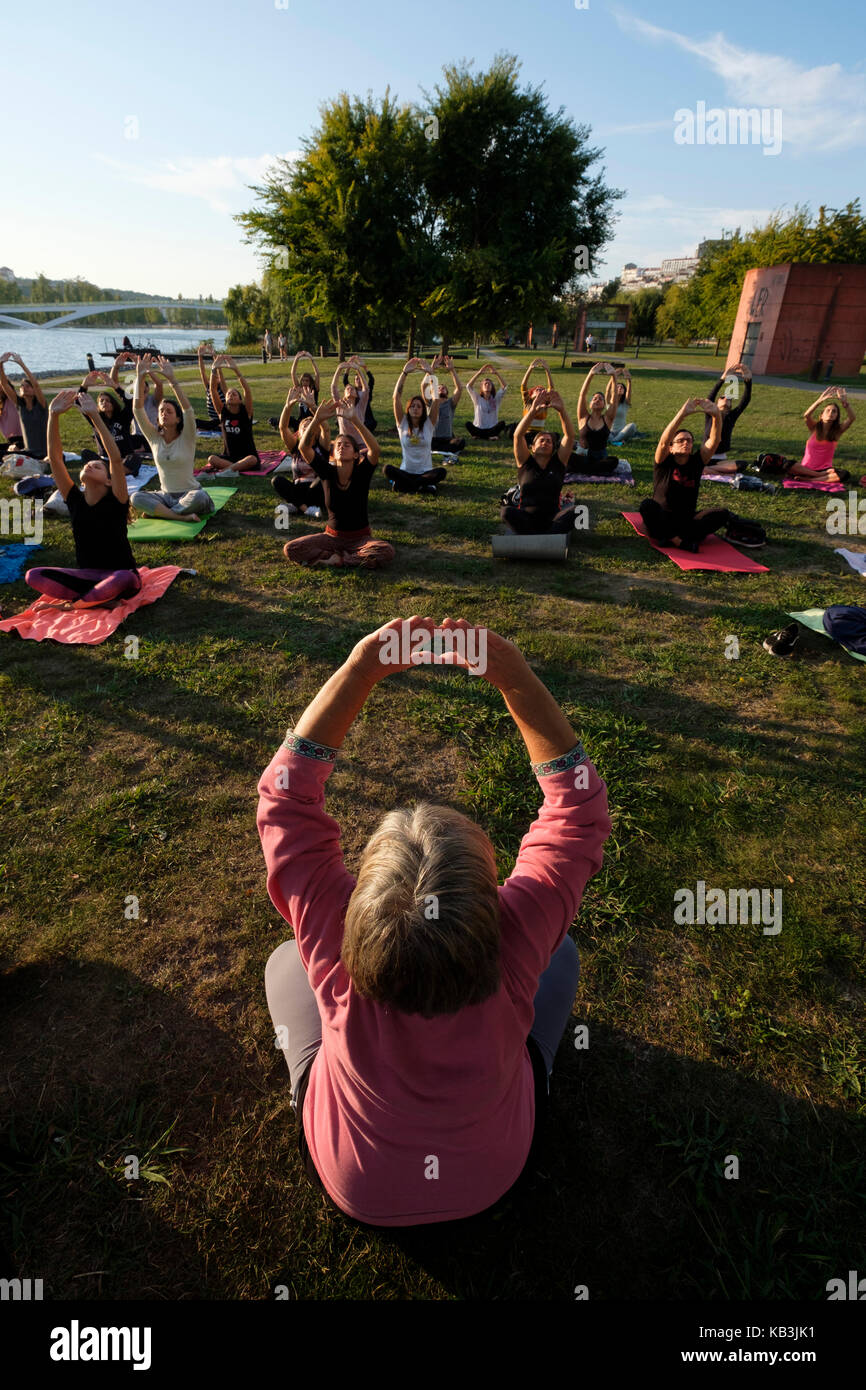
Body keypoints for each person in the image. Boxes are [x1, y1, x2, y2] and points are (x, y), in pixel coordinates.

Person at [258, 614, 611, 1228]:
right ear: (492, 905)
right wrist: (513, 675)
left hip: (358, 1188)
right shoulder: (520, 941)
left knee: (286, 961)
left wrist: (362, 668)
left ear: (358, 911)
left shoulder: (331, 945)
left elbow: (285, 799)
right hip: (496, 1176)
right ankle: (540, 1076)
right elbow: (577, 809)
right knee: (565, 955)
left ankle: (305, 1090)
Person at [25, 388, 141, 605]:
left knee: (122, 577)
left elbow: (115, 459)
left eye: (97, 466)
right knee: (34, 575)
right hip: (88, 578)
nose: (89, 464)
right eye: (88, 464)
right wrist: (53, 415)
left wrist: (94, 416)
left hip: (122, 576)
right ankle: (96, 600)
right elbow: (56, 460)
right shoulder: (75, 500)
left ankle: (77, 604)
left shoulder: (117, 500)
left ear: (108, 480)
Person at [281, 398, 393, 568]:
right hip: (331, 537)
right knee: (291, 549)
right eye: (339, 445)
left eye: (347, 445)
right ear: (334, 452)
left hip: (360, 539)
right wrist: (317, 419)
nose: (341, 447)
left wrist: (355, 420)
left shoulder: (362, 472)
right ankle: (345, 557)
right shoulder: (327, 471)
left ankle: (338, 560)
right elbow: (304, 448)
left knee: (386, 551)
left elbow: (375, 450)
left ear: (356, 454)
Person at [639, 397, 763, 551]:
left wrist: (716, 415)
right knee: (647, 505)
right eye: (681, 440)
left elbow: (714, 441)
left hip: (685, 522)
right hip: (662, 518)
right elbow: (664, 442)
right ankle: (677, 541)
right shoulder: (664, 462)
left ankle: (670, 537)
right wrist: (683, 414)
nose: (686, 443)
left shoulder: (696, 462)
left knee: (722, 514)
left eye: (689, 441)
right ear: (671, 447)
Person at [131, 355, 214, 522]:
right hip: (165, 496)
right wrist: (140, 377)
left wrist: (172, 380)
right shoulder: (154, 438)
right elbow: (137, 410)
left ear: (177, 419)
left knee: (200, 497)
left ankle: (162, 513)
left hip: (190, 493)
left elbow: (188, 411)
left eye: (169, 411)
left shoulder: (187, 437)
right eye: (161, 411)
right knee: (135, 498)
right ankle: (179, 516)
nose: (164, 413)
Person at [503, 391, 577, 535]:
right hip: (527, 518)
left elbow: (570, 435)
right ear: (533, 447)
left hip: (553, 519)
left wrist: (562, 411)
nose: (545, 442)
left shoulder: (558, 462)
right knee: (506, 512)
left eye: (549, 441)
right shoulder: (525, 462)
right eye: (541, 440)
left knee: (579, 512)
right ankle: (545, 537)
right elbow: (518, 435)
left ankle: (541, 536)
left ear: (553, 447)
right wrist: (532, 411)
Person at [386, 358, 448, 495]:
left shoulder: (429, 423)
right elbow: (396, 397)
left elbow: (436, 399)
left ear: (423, 410)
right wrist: (404, 373)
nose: (415, 408)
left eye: (419, 406)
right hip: (406, 472)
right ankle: (421, 486)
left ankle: (409, 485)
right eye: (412, 406)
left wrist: (431, 373)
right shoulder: (402, 423)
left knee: (441, 472)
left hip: (425, 472)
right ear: (408, 409)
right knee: (387, 469)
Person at [270, 386, 328, 519]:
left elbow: (326, 428)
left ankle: (296, 506)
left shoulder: (322, 446)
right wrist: (288, 406)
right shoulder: (295, 447)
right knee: (277, 480)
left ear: (316, 430)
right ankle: (306, 509)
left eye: (311, 424)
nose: (307, 426)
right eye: (304, 426)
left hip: (316, 490)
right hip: (298, 488)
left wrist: (313, 406)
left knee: (323, 479)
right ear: (299, 433)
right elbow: (283, 427)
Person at [200, 356, 260, 475]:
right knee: (211, 459)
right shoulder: (223, 412)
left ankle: (229, 470)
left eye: (234, 394)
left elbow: (247, 391)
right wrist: (213, 370)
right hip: (229, 457)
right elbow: (213, 390)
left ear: (239, 400)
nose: (230, 395)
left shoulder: (246, 412)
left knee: (252, 460)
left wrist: (236, 371)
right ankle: (233, 469)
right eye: (228, 394)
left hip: (247, 456)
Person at [787, 387, 855, 484]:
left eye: (834, 411)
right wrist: (819, 401)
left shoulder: (837, 431)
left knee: (845, 474)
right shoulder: (814, 428)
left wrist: (845, 404)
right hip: (807, 469)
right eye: (828, 410)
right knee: (788, 464)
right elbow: (806, 415)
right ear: (821, 415)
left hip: (825, 469)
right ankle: (818, 477)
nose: (831, 413)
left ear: (836, 416)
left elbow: (852, 418)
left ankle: (809, 480)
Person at [699, 364, 753, 471]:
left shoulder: (731, 417)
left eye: (729, 398)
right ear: (716, 403)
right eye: (722, 397)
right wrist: (722, 379)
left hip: (721, 458)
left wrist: (748, 381)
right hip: (706, 454)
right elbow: (709, 399)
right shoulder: (711, 414)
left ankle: (707, 469)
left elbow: (745, 401)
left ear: (730, 406)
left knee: (742, 464)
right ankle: (712, 469)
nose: (726, 398)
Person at [0, 353, 48, 462]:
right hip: (28, 452)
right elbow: (4, 385)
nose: (24, 388)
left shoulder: (41, 405)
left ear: (34, 390)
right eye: (22, 386)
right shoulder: (20, 406)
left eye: (28, 386)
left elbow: (36, 385)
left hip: (43, 453)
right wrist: (1, 365)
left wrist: (21, 364)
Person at [573, 363, 620, 473]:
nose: (597, 400)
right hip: (583, 455)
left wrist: (614, 376)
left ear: (604, 405)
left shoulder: (608, 419)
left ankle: (589, 469)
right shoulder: (583, 417)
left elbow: (614, 397)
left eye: (600, 399)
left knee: (613, 461)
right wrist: (590, 375)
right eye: (594, 399)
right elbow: (582, 395)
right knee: (569, 457)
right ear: (590, 404)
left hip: (600, 457)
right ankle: (594, 469)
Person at [423, 354, 465, 453]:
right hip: (432, 439)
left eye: (444, 388)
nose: (441, 388)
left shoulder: (451, 403)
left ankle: (437, 450)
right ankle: (443, 450)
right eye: (438, 387)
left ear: (447, 393)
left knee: (461, 442)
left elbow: (459, 388)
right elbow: (423, 386)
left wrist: (452, 370)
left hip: (446, 439)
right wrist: (431, 369)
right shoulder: (429, 402)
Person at [509, 358, 554, 442]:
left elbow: (551, 389)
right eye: (537, 390)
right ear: (531, 394)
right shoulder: (528, 402)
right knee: (514, 432)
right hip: (526, 433)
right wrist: (530, 368)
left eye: (541, 389)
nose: (539, 390)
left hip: (538, 435)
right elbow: (523, 385)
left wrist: (547, 370)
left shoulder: (545, 404)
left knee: (555, 436)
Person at [330, 357, 370, 448]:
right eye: (347, 389)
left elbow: (366, 389)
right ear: (344, 394)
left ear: (357, 395)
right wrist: (338, 369)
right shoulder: (339, 405)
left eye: (352, 389)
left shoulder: (360, 406)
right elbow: (333, 387)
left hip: (359, 444)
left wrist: (358, 369)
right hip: (344, 443)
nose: (350, 389)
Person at [464, 365, 508, 439]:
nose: (487, 384)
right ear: (481, 387)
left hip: (491, 429)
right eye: (485, 383)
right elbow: (468, 386)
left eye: (489, 384)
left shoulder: (496, 399)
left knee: (502, 423)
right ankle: (490, 437)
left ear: (492, 387)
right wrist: (479, 373)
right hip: (479, 428)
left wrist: (496, 373)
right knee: (468, 424)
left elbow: (505, 386)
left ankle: (480, 437)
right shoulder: (477, 398)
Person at [195, 343, 224, 432]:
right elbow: (202, 372)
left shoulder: (222, 388)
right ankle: (214, 428)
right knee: (194, 422)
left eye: (217, 377)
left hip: (222, 420)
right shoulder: (208, 387)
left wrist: (214, 355)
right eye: (215, 377)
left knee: (215, 426)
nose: (216, 378)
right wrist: (200, 356)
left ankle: (218, 427)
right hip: (213, 421)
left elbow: (219, 370)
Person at [607, 369, 637, 446]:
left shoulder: (625, 403)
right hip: (609, 432)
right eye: (618, 387)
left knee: (632, 426)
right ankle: (616, 441)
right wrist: (613, 377)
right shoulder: (609, 402)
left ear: (624, 391)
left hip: (622, 432)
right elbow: (607, 390)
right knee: (602, 429)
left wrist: (629, 380)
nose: (620, 388)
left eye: (622, 387)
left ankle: (613, 441)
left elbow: (629, 392)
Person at [0, 388, 23, 456]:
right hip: (11, 441)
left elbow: (5, 386)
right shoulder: (1, 405)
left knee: (13, 449)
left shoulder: (14, 401)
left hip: (22, 440)